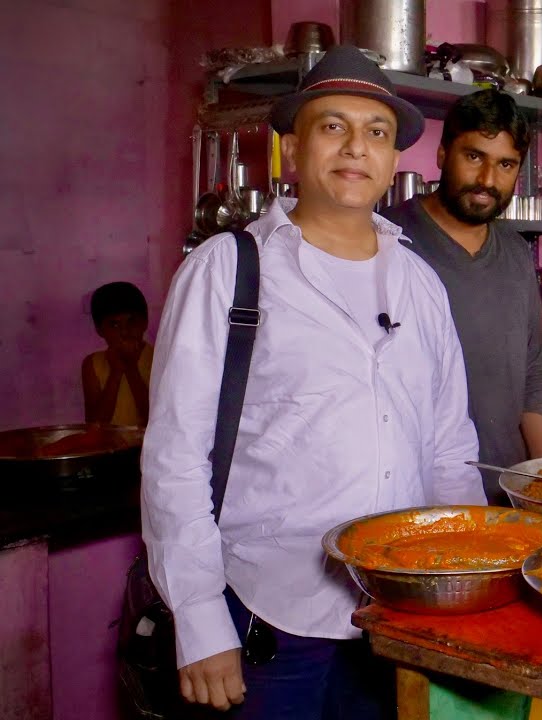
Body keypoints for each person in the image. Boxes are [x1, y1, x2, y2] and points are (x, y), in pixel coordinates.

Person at [140, 46, 485, 718]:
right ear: (294, 148)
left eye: (377, 132)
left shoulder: (421, 283)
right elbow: (175, 456)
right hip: (265, 621)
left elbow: (448, 445)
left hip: (398, 616)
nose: (357, 146)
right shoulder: (229, 269)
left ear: (393, 160)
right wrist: (199, 616)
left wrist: (463, 585)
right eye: (333, 126)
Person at [381, 89, 542, 505]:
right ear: (441, 155)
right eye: (474, 156)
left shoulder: (515, 253)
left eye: (506, 165)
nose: (487, 181)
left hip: (506, 493)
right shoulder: (387, 241)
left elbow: (535, 373)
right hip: (410, 497)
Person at [81, 281, 152, 426]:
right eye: (114, 325)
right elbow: (94, 425)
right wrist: (116, 372)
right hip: (110, 447)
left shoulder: (158, 358)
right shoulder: (92, 364)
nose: (125, 332)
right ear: (99, 330)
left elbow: (157, 419)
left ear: (145, 322)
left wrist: (131, 369)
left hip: (148, 447)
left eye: (131, 322)